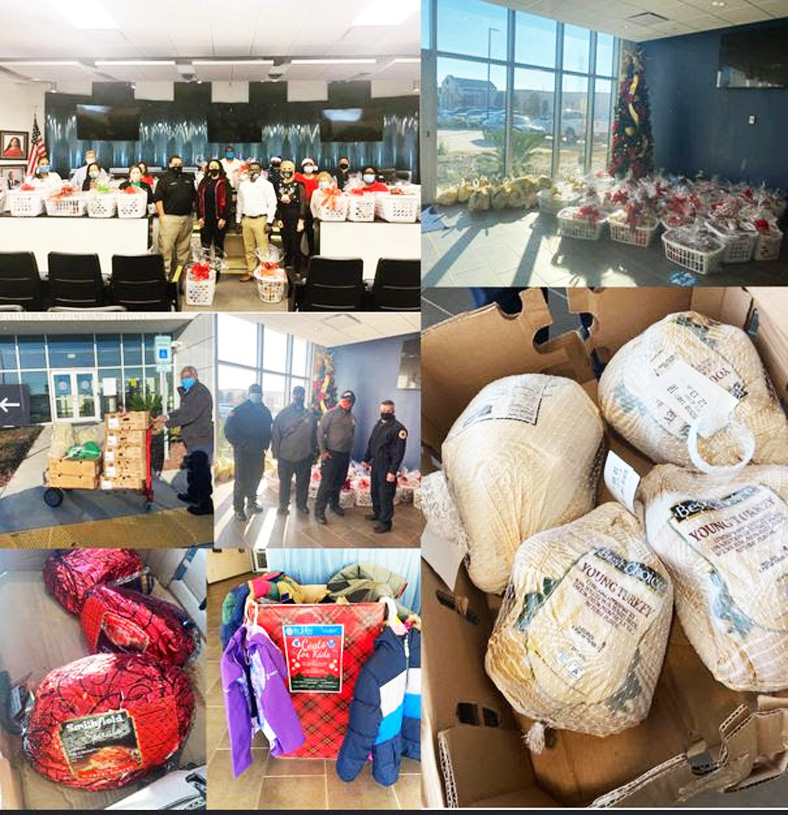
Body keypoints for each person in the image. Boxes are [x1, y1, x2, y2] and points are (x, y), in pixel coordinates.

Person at [162, 366, 214, 516]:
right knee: (193, 470)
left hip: (201, 439)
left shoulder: (200, 393)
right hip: (192, 439)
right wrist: (167, 416)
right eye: (183, 377)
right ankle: (193, 495)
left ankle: (206, 504)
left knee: (202, 473)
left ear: (195, 376)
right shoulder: (190, 393)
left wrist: (167, 424)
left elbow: (189, 416)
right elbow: (182, 412)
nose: (185, 380)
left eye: (188, 377)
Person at [224, 383, 273, 522]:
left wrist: (266, 445)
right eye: (254, 392)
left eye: (259, 392)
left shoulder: (265, 411)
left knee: (256, 477)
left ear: (262, 395)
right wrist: (241, 445)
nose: (257, 394)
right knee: (242, 480)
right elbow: (228, 431)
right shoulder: (239, 410)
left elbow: (268, 430)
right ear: (249, 393)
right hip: (243, 452)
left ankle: (252, 501)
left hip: (258, 452)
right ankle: (238, 508)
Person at [362, 400, 408, 534]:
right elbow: (372, 443)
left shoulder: (399, 429)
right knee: (375, 491)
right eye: (383, 410)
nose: (385, 413)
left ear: (393, 411)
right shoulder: (378, 425)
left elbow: (399, 453)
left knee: (385, 495)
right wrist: (366, 459)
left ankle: (386, 523)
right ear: (380, 410)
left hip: (387, 467)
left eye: (388, 411)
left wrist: (392, 471)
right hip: (376, 464)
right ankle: (377, 514)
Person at [271, 385, 317, 517]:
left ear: (304, 396)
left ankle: (301, 505)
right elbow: (275, 435)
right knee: (285, 484)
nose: (299, 397)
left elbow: (314, 435)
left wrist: (313, 453)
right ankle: (283, 505)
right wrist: (275, 453)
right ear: (292, 395)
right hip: (285, 457)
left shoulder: (310, 415)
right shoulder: (283, 414)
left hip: (304, 456)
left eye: (301, 394)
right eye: (296, 394)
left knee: (303, 484)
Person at [314, 390, 356, 525]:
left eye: (349, 401)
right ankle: (319, 511)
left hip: (344, 455)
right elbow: (320, 433)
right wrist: (323, 451)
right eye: (344, 399)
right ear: (340, 400)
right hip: (331, 454)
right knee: (326, 484)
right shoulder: (330, 414)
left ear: (352, 403)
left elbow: (352, 433)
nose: (346, 403)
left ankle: (334, 505)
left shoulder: (352, 417)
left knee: (339, 482)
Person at [236, 160, 278, 282]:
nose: (253, 172)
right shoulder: (243, 185)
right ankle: (251, 271)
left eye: (256, 170)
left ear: (260, 172)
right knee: (249, 249)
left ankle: (264, 272)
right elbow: (240, 203)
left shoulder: (266, 185)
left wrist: (269, 222)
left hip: (261, 220)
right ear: (248, 171)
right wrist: (238, 220)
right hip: (246, 220)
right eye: (251, 170)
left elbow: (272, 204)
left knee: (263, 249)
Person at [154, 155, 197, 276]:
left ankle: (179, 278)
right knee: (166, 251)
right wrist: (162, 216)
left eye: (180, 164)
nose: (178, 166)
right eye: (175, 164)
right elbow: (158, 199)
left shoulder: (188, 178)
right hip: (170, 219)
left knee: (183, 252)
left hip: (186, 219)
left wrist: (192, 214)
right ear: (170, 165)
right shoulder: (164, 179)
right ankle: (165, 278)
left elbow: (194, 197)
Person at [197, 159, 232, 272]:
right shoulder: (204, 182)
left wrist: (224, 218)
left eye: (215, 166)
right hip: (205, 219)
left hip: (219, 220)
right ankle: (206, 268)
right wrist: (200, 217)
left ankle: (217, 268)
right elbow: (198, 200)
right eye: (211, 167)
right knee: (205, 244)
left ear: (220, 168)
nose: (213, 168)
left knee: (218, 244)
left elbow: (228, 201)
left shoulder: (224, 182)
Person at [275, 160, 306, 270]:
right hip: (283, 217)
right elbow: (275, 202)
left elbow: (303, 203)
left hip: (295, 217)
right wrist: (278, 218)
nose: (286, 171)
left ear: (293, 170)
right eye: (284, 169)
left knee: (296, 244)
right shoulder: (277, 184)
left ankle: (298, 268)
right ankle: (287, 266)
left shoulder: (299, 185)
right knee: (286, 243)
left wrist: (301, 220)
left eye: (289, 169)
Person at [295, 157, 320, 257]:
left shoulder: (318, 178)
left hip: (312, 212)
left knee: (311, 236)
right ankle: (298, 258)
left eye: (310, 165)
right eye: (306, 165)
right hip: (300, 211)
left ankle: (311, 257)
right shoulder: (298, 177)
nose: (308, 167)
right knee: (298, 236)